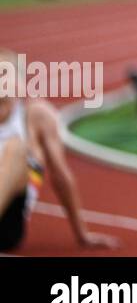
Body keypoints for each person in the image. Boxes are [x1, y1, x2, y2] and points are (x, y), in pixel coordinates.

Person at [0, 50, 118, 252]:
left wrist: (82, 234)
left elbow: (61, 176)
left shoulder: (35, 115)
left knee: (16, 148)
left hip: (7, 224)